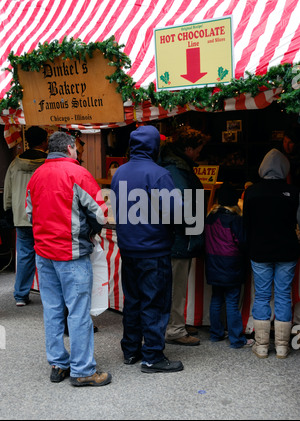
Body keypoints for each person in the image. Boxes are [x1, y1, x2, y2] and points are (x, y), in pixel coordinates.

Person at [26, 131, 111, 386]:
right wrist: (88, 232)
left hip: (44, 253)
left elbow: (30, 214)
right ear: (70, 148)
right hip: (71, 253)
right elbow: (102, 212)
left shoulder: (36, 175)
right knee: (78, 312)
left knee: (52, 310)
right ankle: (83, 370)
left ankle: (58, 363)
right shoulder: (77, 173)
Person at [111, 125, 184, 374]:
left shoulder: (119, 173)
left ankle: (131, 351)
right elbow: (175, 211)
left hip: (128, 249)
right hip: (153, 249)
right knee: (155, 303)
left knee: (133, 301)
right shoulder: (159, 174)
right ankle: (152, 356)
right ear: (155, 147)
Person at [243, 148, 300, 359]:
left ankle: (262, 345)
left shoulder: (251, 192)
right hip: (287, 250)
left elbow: (246, 225)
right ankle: (283, 347)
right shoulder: (293, 192)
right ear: (284, 168)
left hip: (260, 250)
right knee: (284, 295)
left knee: (262, 296)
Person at [159, 126, 206, 346]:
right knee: (176, 286)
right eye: (197, 149)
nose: (199, 154)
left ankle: (176, 323)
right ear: (188, 149)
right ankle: (175, 329)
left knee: (176, 285)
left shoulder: (178, 166)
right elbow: (180, 207)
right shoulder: (177, 171)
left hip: (179, 237)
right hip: (180, 238)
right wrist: (192, 223)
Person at [205, 182, 254, 348]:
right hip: (232, 264)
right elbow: (243, 242)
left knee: (216, 299)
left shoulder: (210, 216)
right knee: (232, 302)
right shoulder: (235, 219)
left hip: (213, 263)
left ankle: (216, 334)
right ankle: (236, 339)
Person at [3, 126, 48, 306]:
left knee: (24, 256)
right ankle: (48, 295)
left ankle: (21, 295)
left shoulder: (15, 163)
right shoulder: (48, 163)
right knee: (46, 258)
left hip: (21, 217)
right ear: (44, 141)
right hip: (45, 218)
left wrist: (8, 210)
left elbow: (8, 193)